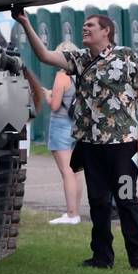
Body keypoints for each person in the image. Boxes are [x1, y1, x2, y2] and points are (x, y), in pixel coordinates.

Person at [12, 6, 138, 271]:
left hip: (123, 146)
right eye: (84, 26)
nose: (85, 29)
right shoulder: (79, 59)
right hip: (91, 147)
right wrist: (25, 24)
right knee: (99, 201)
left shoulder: (127, 57)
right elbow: (44, 55)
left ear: (106, 31)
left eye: (91, 26)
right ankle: (102, 257)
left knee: (126, 199)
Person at [42, 41, 83, 225]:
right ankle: (76, 211)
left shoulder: (61, 77)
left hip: (60, 126)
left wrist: (47, 95)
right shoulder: (79, 76)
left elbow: (55, 105)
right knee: (76, 172)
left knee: (66, 172)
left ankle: (71, 214)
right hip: (76, 126)